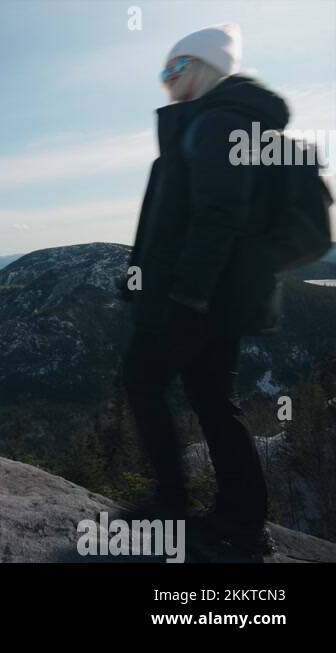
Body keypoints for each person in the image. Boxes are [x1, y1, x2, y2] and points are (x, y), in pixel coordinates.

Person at [121, 24, 290, 555]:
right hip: (220, 296)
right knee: (214, 400)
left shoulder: (218, 123)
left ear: (204, 68)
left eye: (176, 68)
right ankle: (241, 520)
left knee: (142, 381)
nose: (167, 81)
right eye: (164, 71)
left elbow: (217, 217)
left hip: (196, 295)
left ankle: (172, 504)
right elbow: (173, 218)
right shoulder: (221, 122)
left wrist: (186, 293)